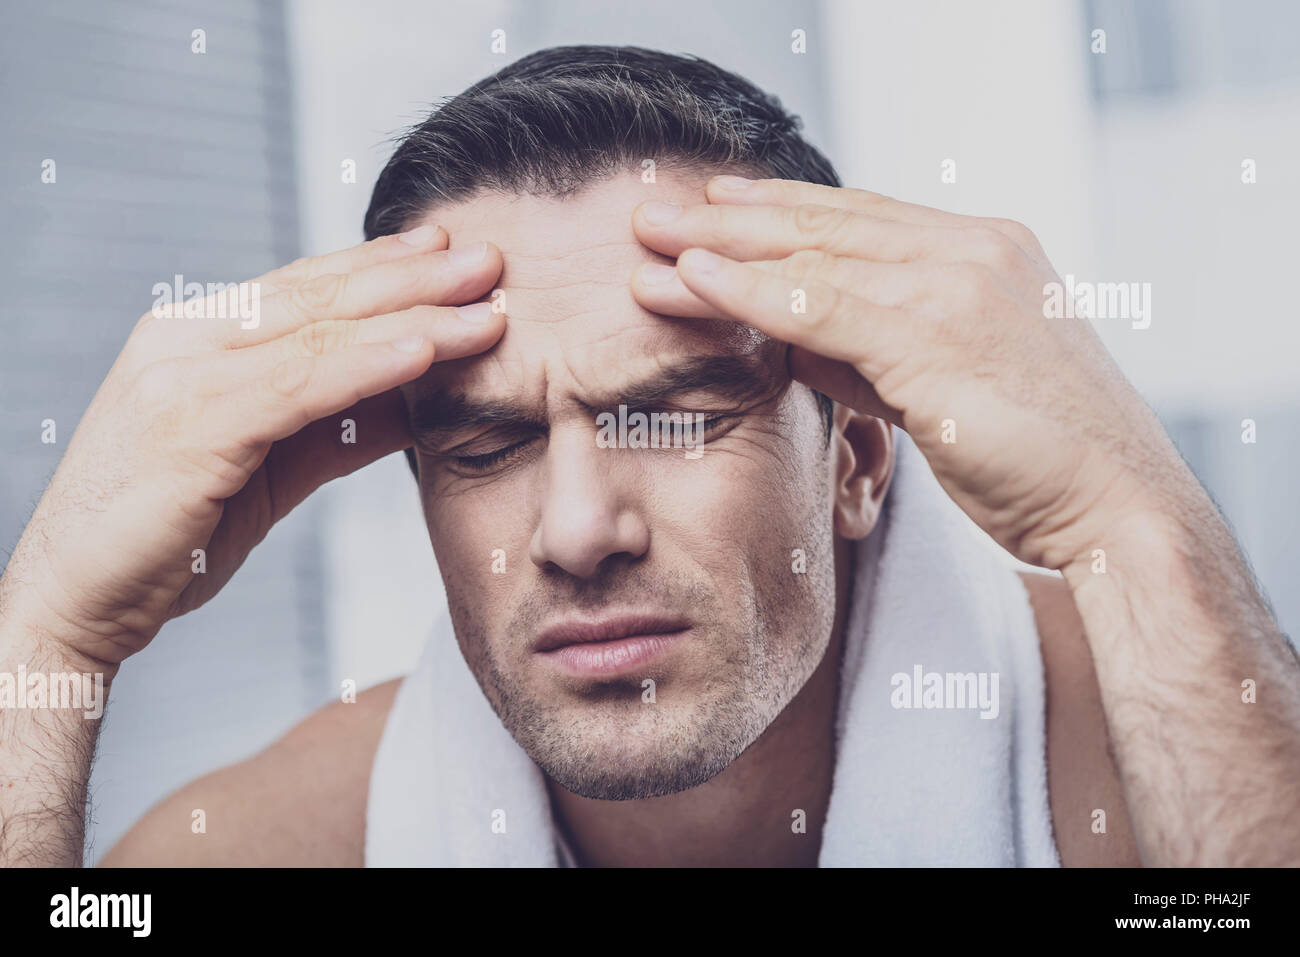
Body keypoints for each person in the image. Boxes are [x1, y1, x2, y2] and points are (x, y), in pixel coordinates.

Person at [1, 46, 1296, 868]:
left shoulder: (1156, 774)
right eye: (492, 441)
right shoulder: (281, 845)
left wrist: (1135, 523)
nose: (574, 527)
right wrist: (47, 640)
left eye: (672, 416)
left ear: (856, 457)